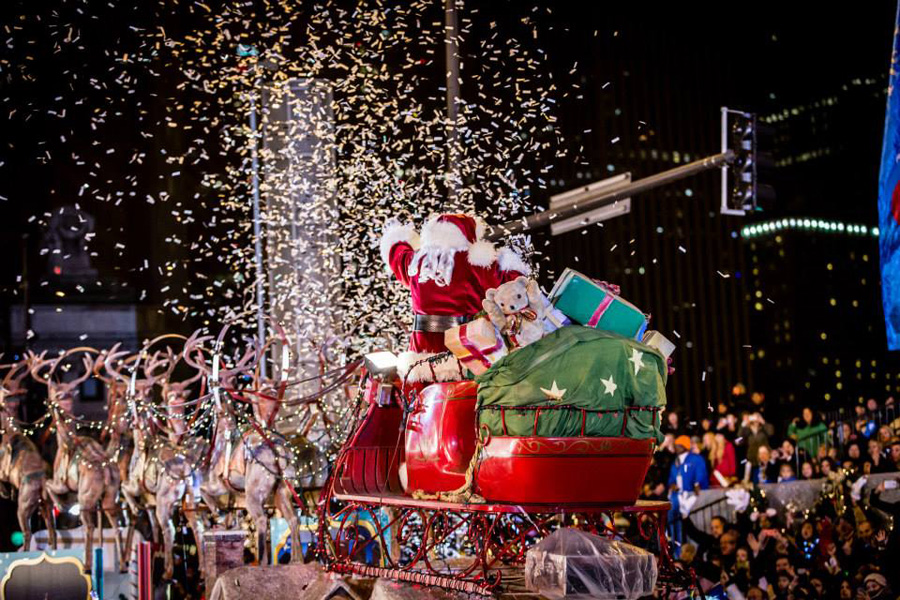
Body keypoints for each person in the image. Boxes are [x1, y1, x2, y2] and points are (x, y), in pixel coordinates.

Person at [380, 213, 529, 383]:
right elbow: (513, 284)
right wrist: (510, 260)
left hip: (421, 358)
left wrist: (398, 235)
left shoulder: (415, 262)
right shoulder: (477, 261)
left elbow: (395, 252)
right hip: (467, 354)